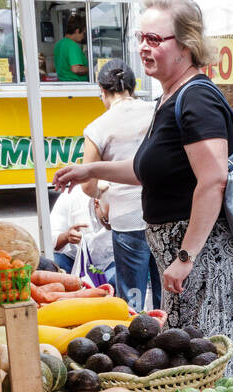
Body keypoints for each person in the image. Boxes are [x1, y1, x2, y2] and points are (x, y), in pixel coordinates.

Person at [53, 0, 233, 378]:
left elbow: (214, 180)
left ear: (186, 44)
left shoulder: (196, 98)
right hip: (185, 256)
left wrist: (186, 256)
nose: (144, 46)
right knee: (188, 358)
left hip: (203, 258)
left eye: (155, 38)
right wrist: (90, 169)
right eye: (140, 37)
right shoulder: (169, 97)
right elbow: (149, 170)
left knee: (206, 361)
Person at [81, 59, 160, 310]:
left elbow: (87, 184)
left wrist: (102, 192)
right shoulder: (157, 112)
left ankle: (137, 341)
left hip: (127, 219)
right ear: (134, 87)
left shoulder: (97, 127)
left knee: (132, 294)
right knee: (167, 290)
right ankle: (171, 337)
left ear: (102, 91)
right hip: (163, 213)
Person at [54, 14, 89, 82]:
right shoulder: (72, 45)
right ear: (77, 31)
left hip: (63, 83)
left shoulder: (59, 44)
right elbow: (76, 69)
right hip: (75, 85)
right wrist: (92, 69)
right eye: (83, 33)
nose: (83, 37)